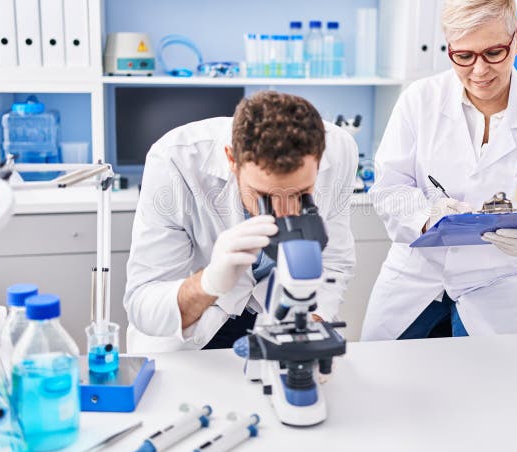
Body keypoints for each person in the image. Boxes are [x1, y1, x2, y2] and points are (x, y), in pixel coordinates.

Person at [361, 0, 517, 340]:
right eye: (464, 56)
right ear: (449, 49)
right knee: (380, 369)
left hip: (507, 276)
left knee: (498, 385)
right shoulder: (419, 100)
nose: (479, 70)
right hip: (418, 274)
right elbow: (390, 186)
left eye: (494, 53)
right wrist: (426, 219)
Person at [125, 91, 358, 352]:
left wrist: (304, 329)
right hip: (191, 331)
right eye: (265, 196)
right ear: (232, 160)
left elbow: (334, 262)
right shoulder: (174, 161)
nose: (284, 212)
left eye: (301, 194)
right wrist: (209, 283)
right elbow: (143, 304)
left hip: (278, 317)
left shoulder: (340, 150)